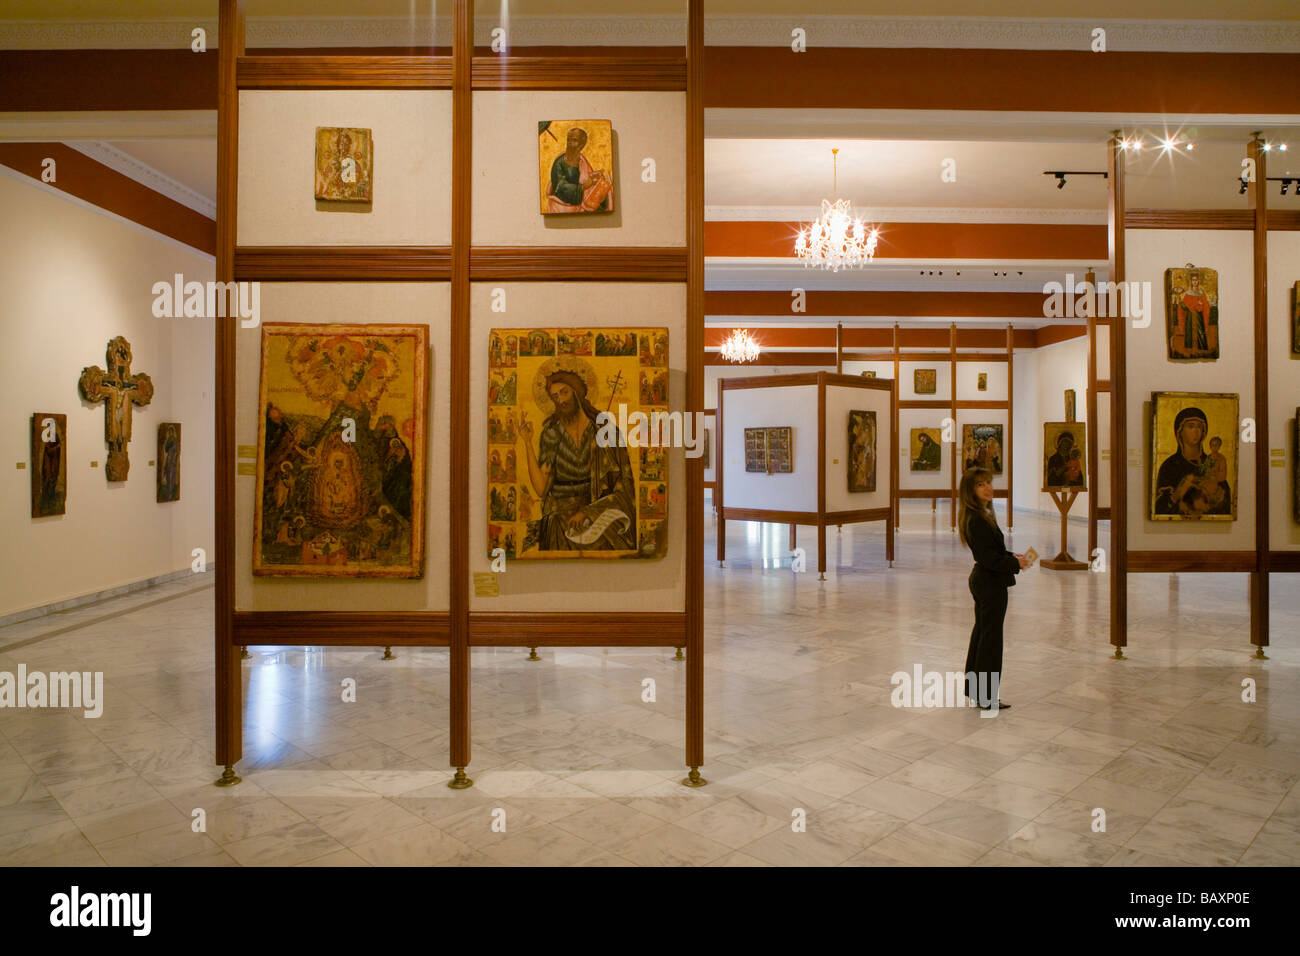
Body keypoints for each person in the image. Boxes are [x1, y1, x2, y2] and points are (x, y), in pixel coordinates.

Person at [959, 467, 1031, 710]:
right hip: (988, 581)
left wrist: (1013, 556)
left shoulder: (981, 514)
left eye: (989, 482)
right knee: (991, 638)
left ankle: (976, 690)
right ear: (971, 490)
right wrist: (1015, 564)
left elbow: (993, 552)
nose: (988, 488)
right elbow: (988, 558)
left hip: (987, 579)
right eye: (981, 484)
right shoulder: (977, 519)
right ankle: (986, 696)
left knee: (983, 633)